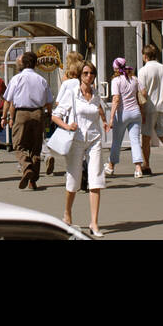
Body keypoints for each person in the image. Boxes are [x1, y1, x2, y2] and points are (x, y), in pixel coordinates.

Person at [51, 59, 109, 237]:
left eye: (91, 73)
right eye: (85, 73)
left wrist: (105, 121)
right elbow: (55, 116)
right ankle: (67, 214)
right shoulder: (72, 94)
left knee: (96, 179)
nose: (89, 76)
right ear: (80, 75)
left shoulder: (96, 93)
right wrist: (68, 126)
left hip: (94, 139)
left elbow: (99, 109)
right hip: (76, 140)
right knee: (74, 179)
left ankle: (94, 223)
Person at [2, 51, 54, 191]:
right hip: (38, 113)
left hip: (22, 113)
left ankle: (26, 167)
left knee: (19, 144)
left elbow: (8, 100)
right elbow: (49, 101)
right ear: (35, 64)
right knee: (35, 147)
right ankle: (33, 180)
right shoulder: (41, 79)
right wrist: (49, 114)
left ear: (23, 63)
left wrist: (4, 116)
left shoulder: (17, 78)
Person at [138, 43, 163, 175]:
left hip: (149, 108)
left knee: (146, 137)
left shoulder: (143, 71)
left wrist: (141, 108)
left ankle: (146, 165)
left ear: (145, 56)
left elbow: (143, 92)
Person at [106, 57, 144, 178]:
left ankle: (111, 166)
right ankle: (138, 169)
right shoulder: (134, 79)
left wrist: (111, 118)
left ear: (115, 68)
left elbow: (116, 99)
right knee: (135, 141)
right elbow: (143, 93)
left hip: (123, 113)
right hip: (136, 112)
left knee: (117, 141)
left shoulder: (116, 80)